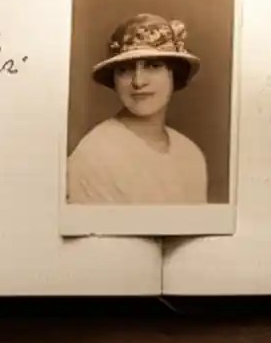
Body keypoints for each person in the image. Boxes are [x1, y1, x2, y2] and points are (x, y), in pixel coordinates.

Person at [67, 12, 209, 204]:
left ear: (173, 74)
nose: (139, 81)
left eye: (153, 66)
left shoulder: (190, 154)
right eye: (125, 70)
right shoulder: (95, 154)